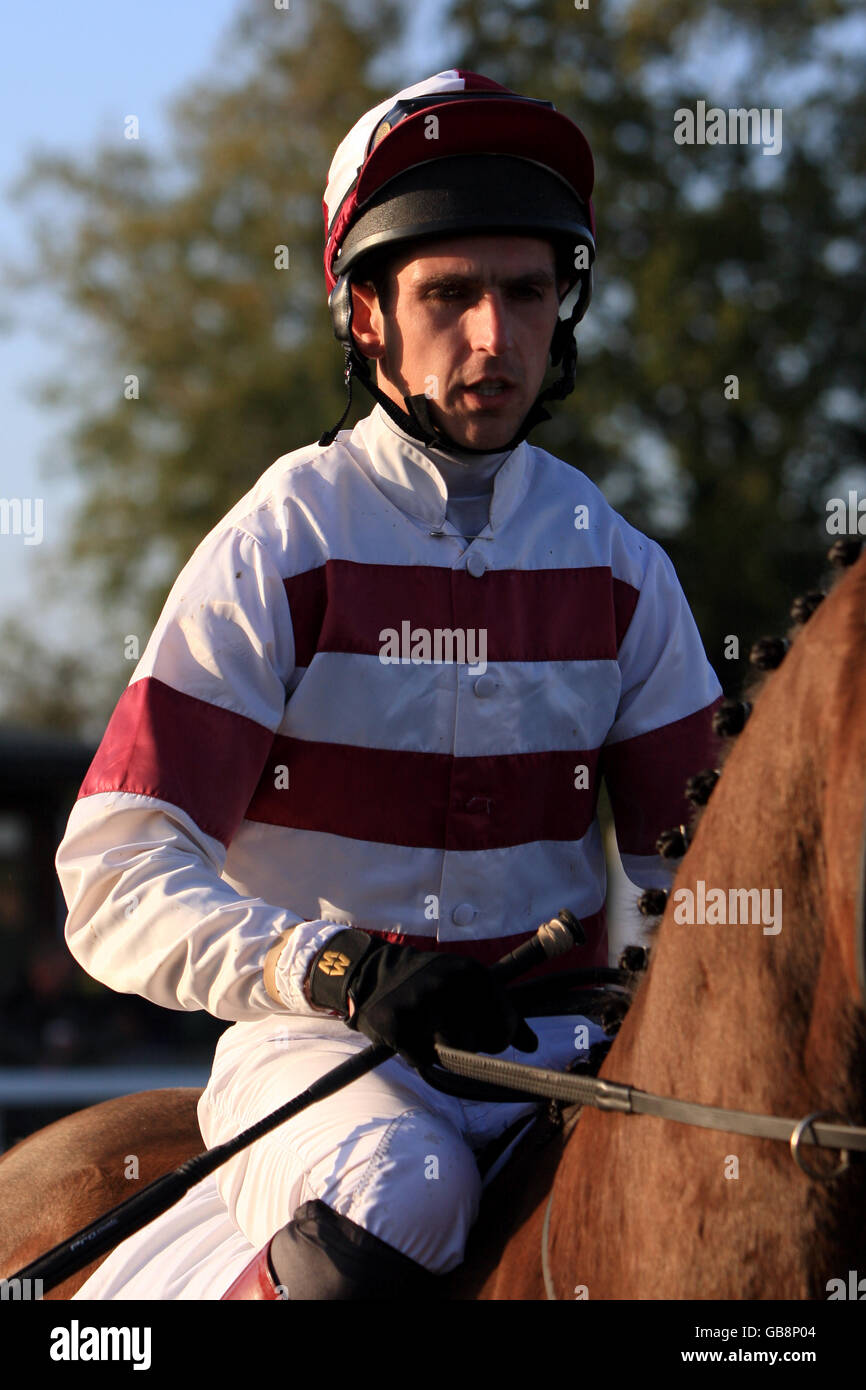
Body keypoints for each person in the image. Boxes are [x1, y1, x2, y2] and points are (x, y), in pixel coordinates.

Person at [56, 70, 721, 1299]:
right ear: (364, 314)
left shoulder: (620, 568)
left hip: (559, 1047)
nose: (494, 338)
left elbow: (711, 885)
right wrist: (333, 968)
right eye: (448, 295)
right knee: (404, 1199)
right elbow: (112, 875)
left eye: (526, 293)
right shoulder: (281, 542)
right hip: (318, 1051)